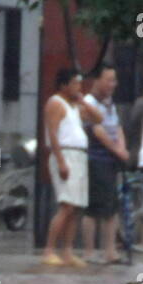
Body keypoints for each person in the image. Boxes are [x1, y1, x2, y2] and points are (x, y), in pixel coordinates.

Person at [41, 68, 103, 267]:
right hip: (65, 154)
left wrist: (83, 100)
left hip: (79, 155)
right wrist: (60, 161)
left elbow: (98, 118)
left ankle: (67, 250)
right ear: (64, 85)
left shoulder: (75, 106)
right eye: (75, 83)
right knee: (66, 205)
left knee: (76, 207)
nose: (78, 87)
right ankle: (49, 249)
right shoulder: (55, 103)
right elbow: (52, 134)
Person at [80, 64, 129, 265]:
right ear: (96, 80)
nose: (112, 84)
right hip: (96, 158)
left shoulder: (109, 103)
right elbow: (97, 131)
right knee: (93, 207)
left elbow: (116, 127)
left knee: (111, 205)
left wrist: (122, 148)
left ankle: (110, 251)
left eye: (114, 80)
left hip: (111, 160)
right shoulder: (89, 103)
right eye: (108, 79)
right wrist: (116, 150)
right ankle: (89, 252)